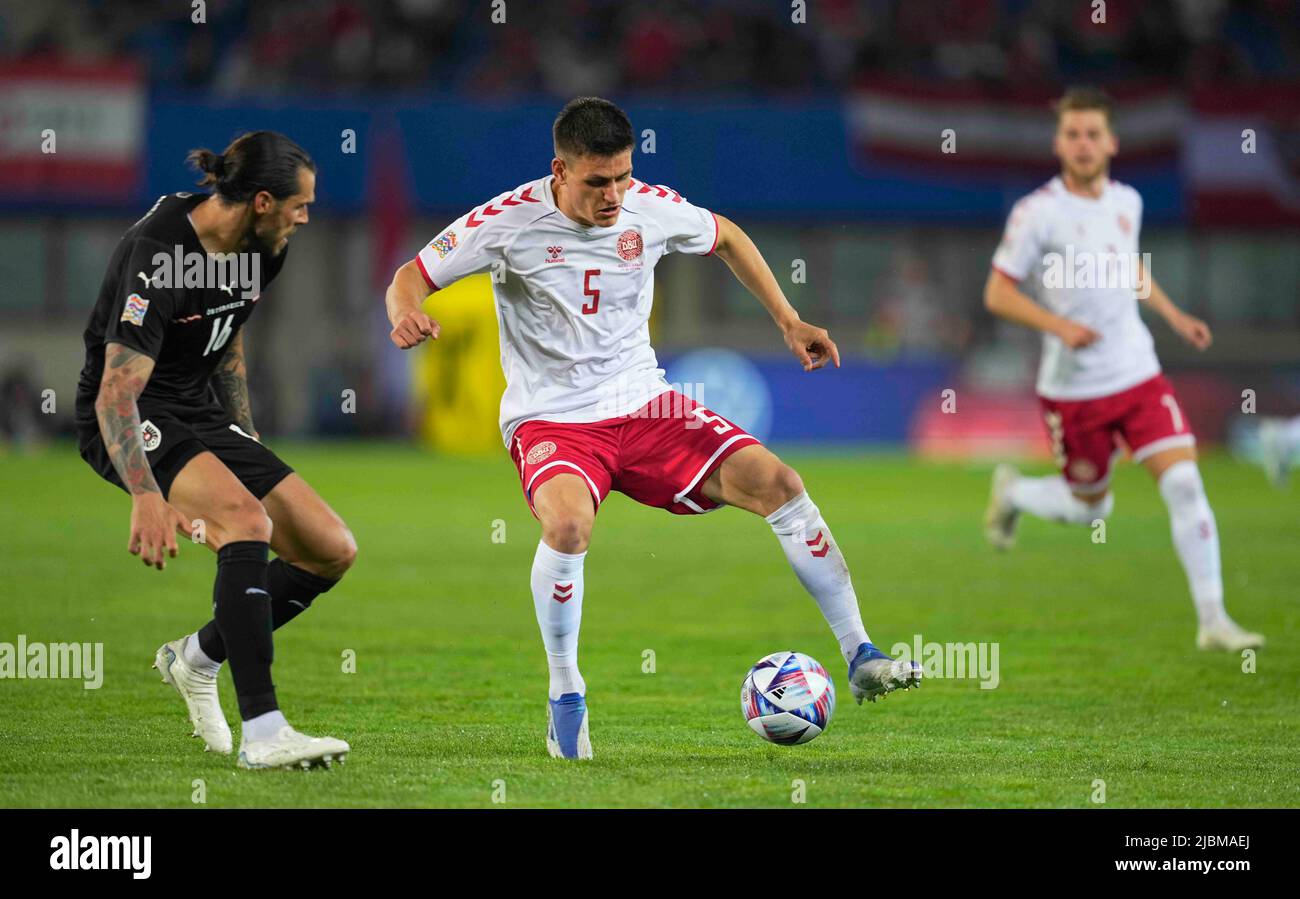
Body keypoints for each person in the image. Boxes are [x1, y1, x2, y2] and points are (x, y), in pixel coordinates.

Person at [385, 97, 920, 760]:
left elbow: (726, 236)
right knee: (568, 525)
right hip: (553, 417)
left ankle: (859, 651)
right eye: (596, 182)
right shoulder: (507, 221)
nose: (614, 195)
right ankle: (565, 693)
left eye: (622, 177)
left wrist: (788, 318)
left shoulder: (649, 206)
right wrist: (407, 311)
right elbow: (411, 273)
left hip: (645, 404)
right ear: (559, 170)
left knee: (780, 482)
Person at [75, 131, 356, 769]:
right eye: (300, 205)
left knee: (329, 549)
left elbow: (225, 339)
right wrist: (145, 493)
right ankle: (265, 731)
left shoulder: (264, 249)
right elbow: (114, 394)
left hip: (198, 413)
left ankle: (195, 658)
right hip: (132, 413)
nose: (306, 218)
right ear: (261, 201)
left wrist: (246, 440)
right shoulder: (160, 253)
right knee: (245, 523)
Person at [982, 88, 1263, 652]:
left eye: (1092, 134)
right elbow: (997, 294)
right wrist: (1058, 327)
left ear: (1111, 142)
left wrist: (1175, 315)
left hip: (1136, 372)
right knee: (1092, 508)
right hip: (1072, 389)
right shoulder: (1037, 213)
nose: (1083, 145)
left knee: (1184, 482)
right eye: (1072, 134)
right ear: (1058, 142)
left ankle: (1213, 620)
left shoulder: (1126, 202)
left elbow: (1129, 267)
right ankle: (1013, 494)